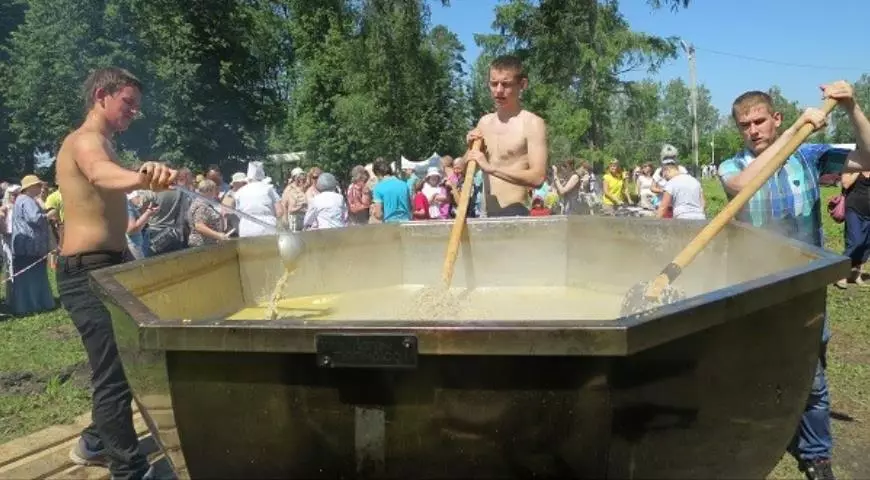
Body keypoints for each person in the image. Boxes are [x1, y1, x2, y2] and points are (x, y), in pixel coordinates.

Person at [717, 81, 870, 480]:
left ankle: (817, 455)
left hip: (804, 287)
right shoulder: (732, 166)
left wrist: (852, 107)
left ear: (775, 117)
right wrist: (794, 130)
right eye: (744, 124)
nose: (752, 130)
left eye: (760, 121)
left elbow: (868, 155)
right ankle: (755, 439)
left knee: (813, 376)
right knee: (753, 368)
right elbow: (745, 185)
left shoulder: (811, 158)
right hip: (756, 287)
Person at [54, 67, 176, 480]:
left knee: (128, 361)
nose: (134, 112)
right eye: (129, 103)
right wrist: (143, 178)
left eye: (137, 106)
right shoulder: (85, 140)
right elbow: (99, 173)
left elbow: (108, 183)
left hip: (111, 264)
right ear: (102, 95)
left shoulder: (104, 142)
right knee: (117, 373)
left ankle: (93, 442)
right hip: (86, 273)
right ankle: (130, 471)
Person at [465, 55, 548, 217]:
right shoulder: (484, 122)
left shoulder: (532, 123)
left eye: (506, 84)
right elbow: (464, 168)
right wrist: (469, 150)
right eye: (494, 84)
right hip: (484, 214)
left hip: (516, 213)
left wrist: (492, 169)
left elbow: (538, 178)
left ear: (522, 84)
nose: (498, 90)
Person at [371, 158, 411, 223]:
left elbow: (379, 215)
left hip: (390, 225)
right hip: (406, 223)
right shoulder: (404, 184)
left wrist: (373, 212)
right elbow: (411, 207)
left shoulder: (378, 188)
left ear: (378, 173)